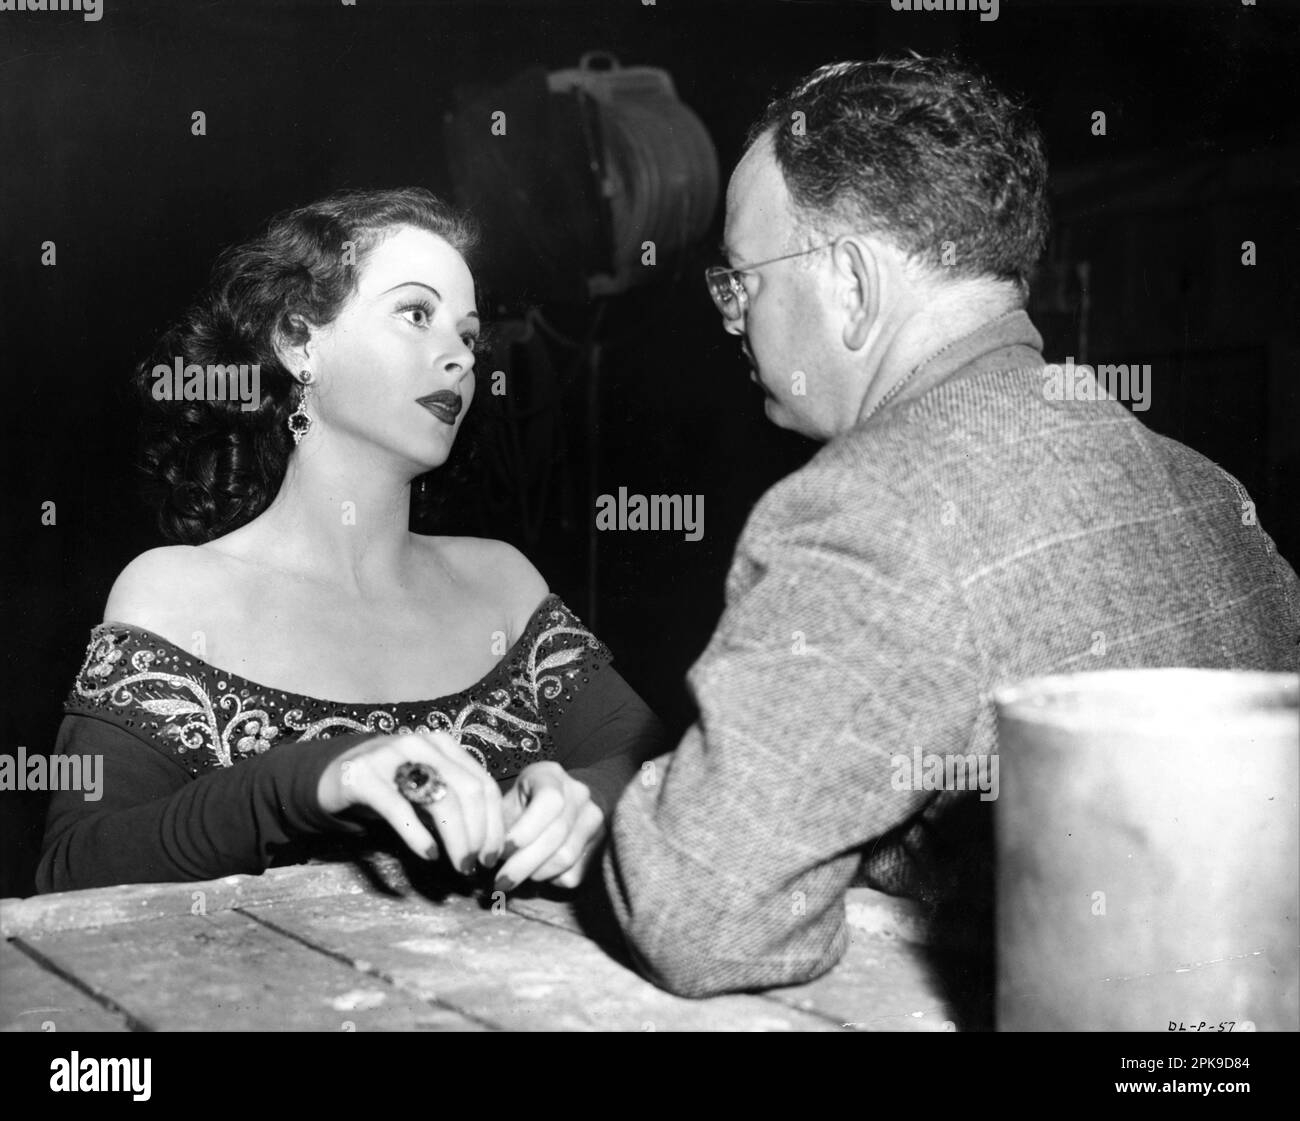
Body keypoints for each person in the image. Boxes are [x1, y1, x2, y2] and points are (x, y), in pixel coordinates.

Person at [602, 55, 1300, 998]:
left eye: (742, 285)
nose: (736, 326)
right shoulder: (1216, 497)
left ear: (849, 282)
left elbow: (700, 908)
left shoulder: (870, 504)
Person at [38, 188, 664, 894]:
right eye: (416, 314)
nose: (459, 357)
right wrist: (315, 779)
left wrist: (587, 802)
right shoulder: (175, 594)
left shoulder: (503, 586)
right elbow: (75, 869)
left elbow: (660, 763)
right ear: (300, 341)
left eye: (468, 333)